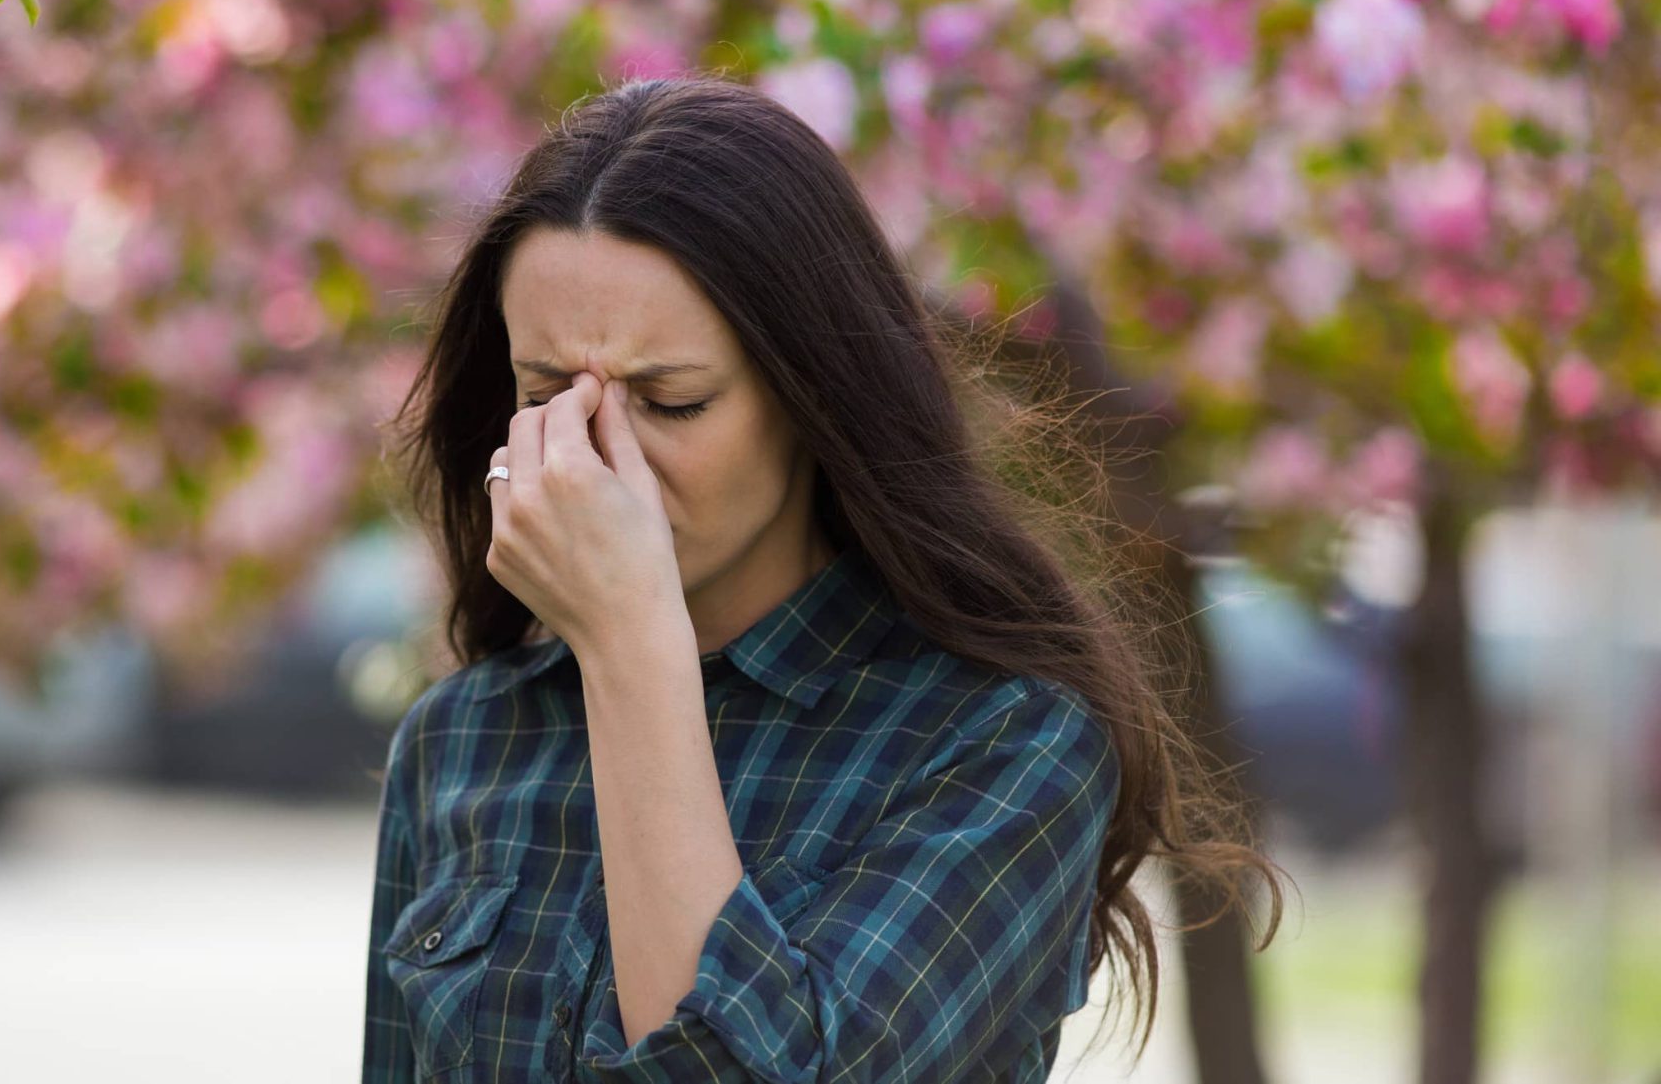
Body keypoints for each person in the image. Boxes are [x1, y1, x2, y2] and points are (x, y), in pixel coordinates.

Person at [363, 73, 1283, 1081]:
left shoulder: (996, 744)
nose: (594, 457)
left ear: (810, 396)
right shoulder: (462, 739)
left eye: (669, 400)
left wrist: (632, 647)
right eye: (545, 393)